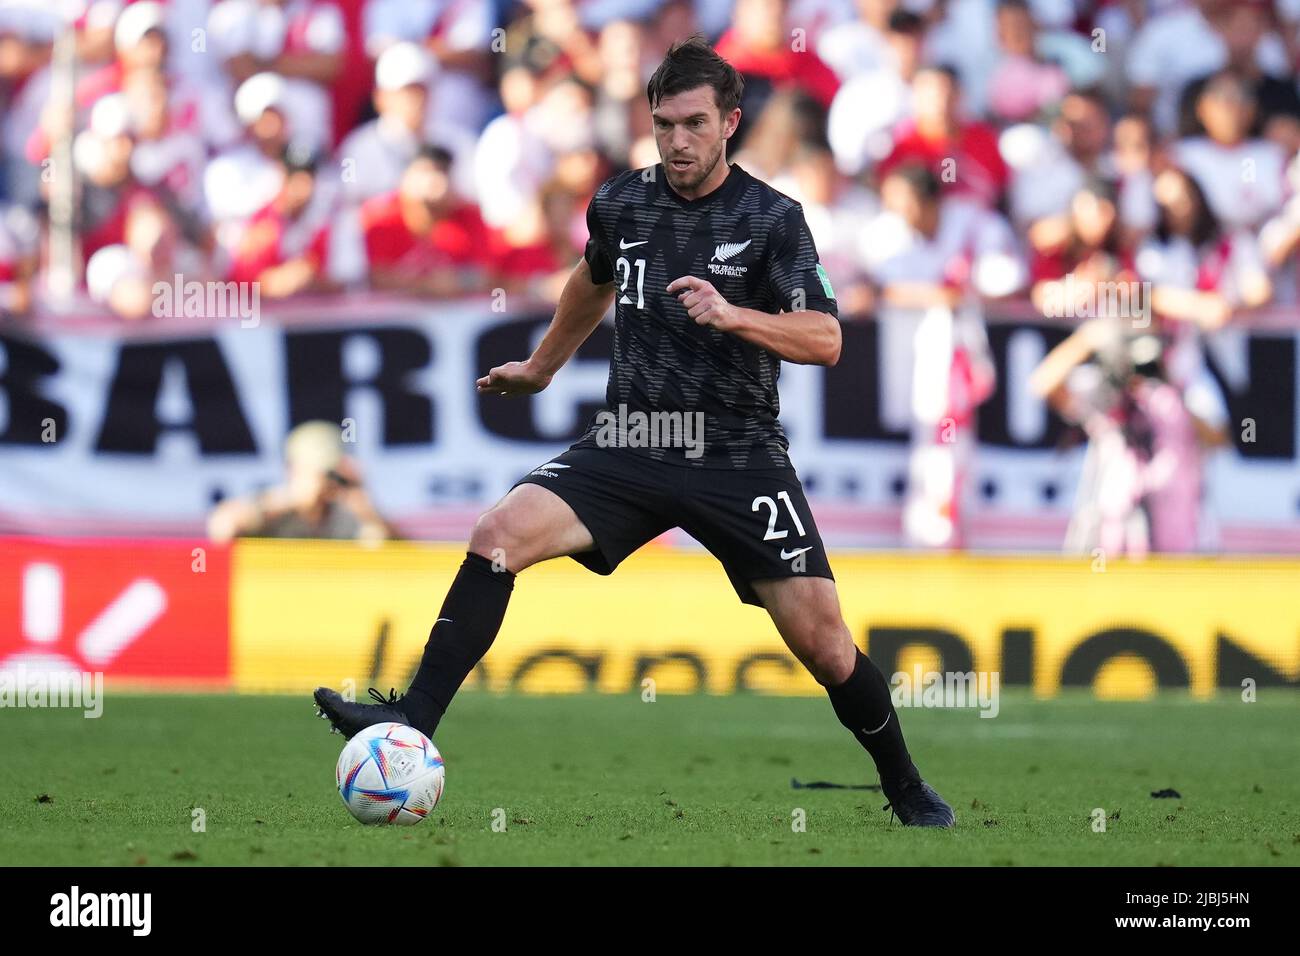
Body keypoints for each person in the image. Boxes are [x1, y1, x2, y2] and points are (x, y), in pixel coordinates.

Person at [314, 36, 955, 828]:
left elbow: (825, 338)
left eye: (693, 124)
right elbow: (590, 284)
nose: (677, 141)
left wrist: (735, 315)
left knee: (824, 645)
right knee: (497, 533)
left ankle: (905, 787)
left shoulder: (772, 219)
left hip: (736, 453)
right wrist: (543, 367)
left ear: (730, 122)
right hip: (629, 442)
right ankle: (411, 720)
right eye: (663, 125)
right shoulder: (622, 203)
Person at [207, 421, 395, 543]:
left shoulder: (344, 514)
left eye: (331, 473)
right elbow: (222, 530)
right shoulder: (270, 507)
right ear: (293, 469)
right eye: (318, 472)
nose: (326, 483)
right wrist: (290, 500)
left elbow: (394, 555)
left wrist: (366, 511)